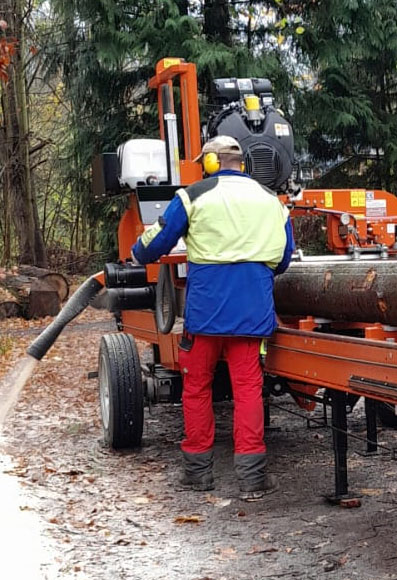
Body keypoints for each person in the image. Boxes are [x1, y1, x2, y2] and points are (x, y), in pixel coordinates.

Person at [131, 135, 294, 500]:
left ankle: (197, 473)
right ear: (243, 163)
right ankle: (252, 479)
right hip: (252, 315)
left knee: (197, 388)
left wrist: (136, 252)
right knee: (248, 391)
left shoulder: (193, 196)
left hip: (205, 317)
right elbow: (284, 259)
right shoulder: (273, 202)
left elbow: (154, 244)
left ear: (209, 162)